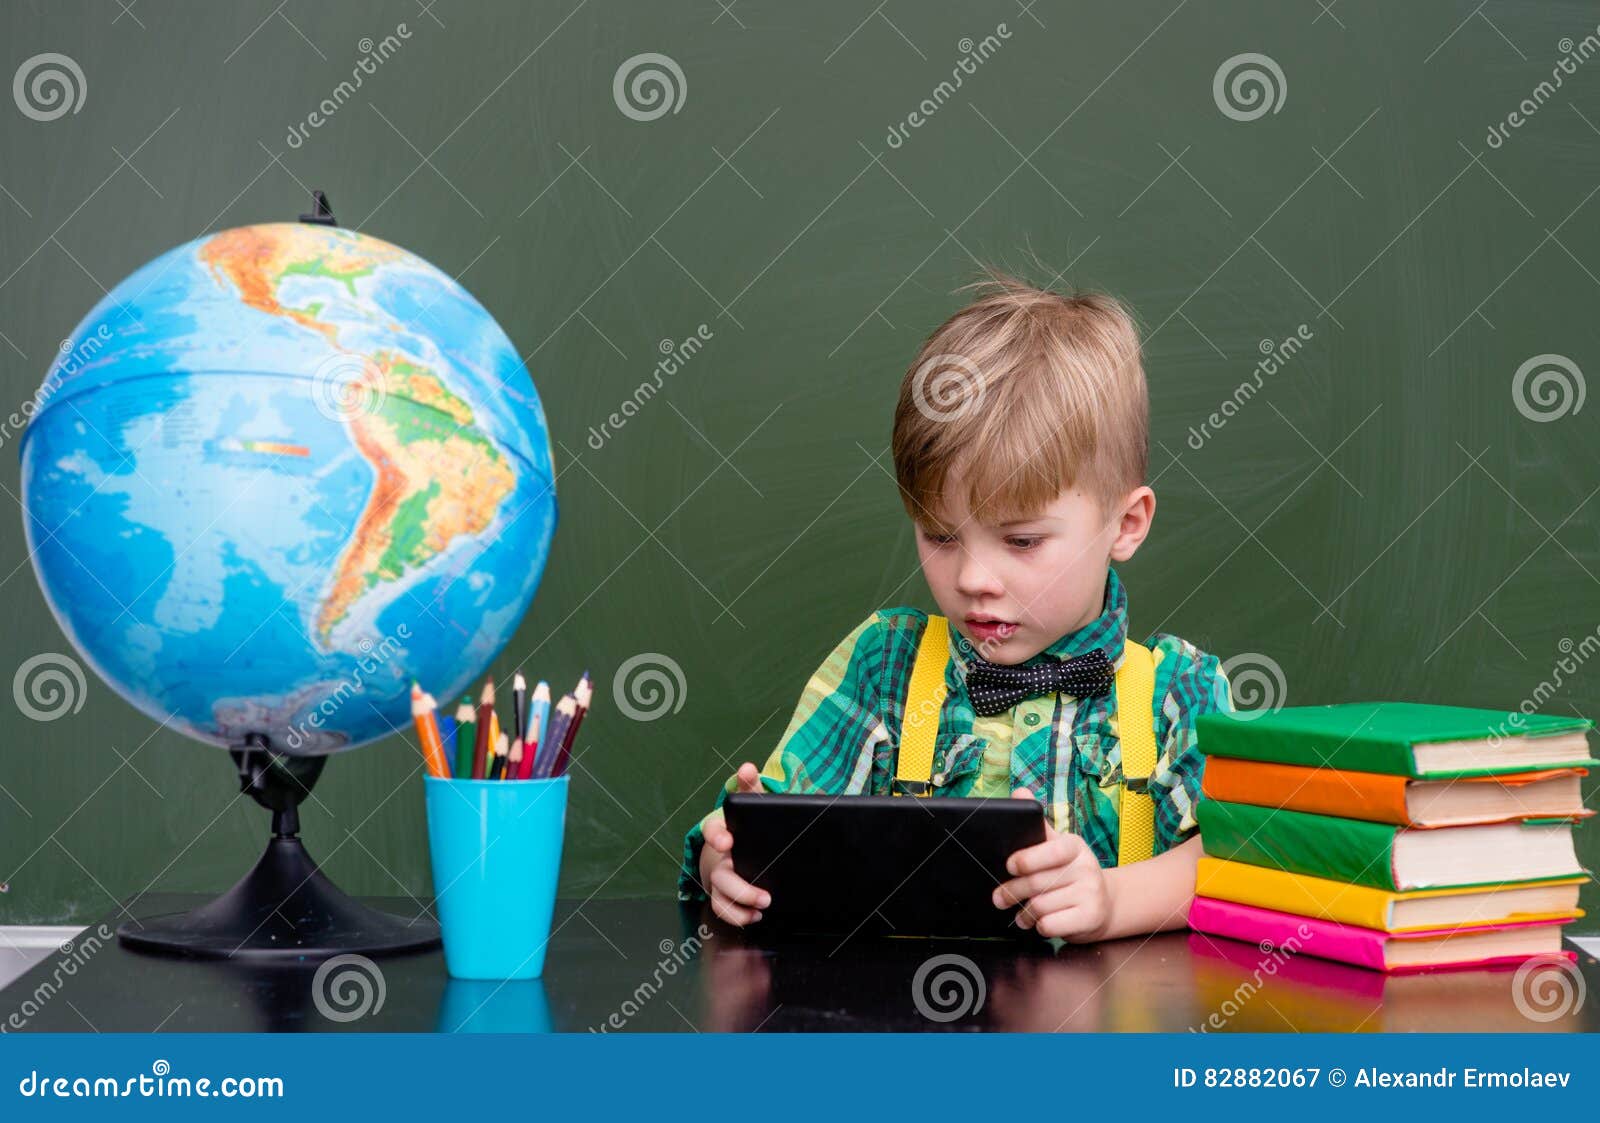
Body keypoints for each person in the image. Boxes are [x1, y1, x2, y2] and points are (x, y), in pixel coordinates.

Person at [678, 273, 1233, 941]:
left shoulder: (1180, 693)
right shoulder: (884, 667)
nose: (973, 578)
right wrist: (729, 859)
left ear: (1126, 523)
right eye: (941, 536)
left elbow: (1236, 862)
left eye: (1021, 541)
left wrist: (1112, 901)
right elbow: (774, 820)